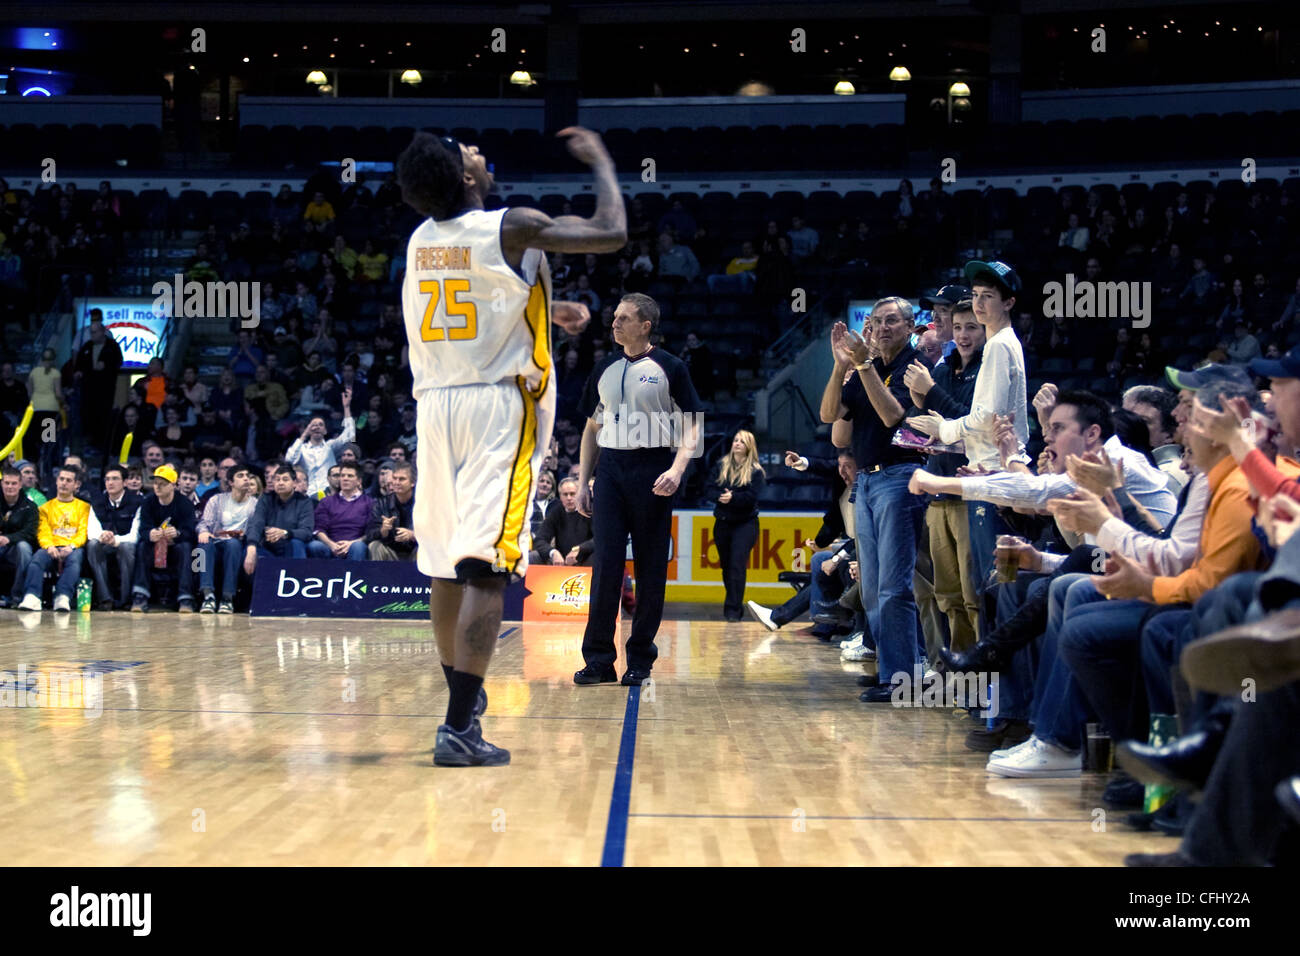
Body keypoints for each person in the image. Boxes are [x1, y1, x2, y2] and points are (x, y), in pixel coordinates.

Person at [396, 125, 616, 766]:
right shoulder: (509, 224)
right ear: (466, 179)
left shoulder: (421, 240)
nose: (479, 152)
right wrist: (601, 158)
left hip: (435, 407)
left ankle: (461, 704)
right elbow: (610, 230)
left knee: (442, 565)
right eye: (468, 153)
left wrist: (546, 310)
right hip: (498, 406)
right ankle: (459, 728)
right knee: (487, 569)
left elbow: (468, 301)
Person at [574, 293, 701, 687]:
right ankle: (598, 660)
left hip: (653, 469)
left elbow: (692, 424)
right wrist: (582, 481)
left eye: (624, 318)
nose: (614, 323)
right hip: (610, 470)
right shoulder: (605, 368)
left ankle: (640, 659)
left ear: (645, 325)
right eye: (614, 317)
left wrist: (678, 470)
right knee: (606, 565)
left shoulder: (671, 367)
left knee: (649, 570)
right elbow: (592, 427)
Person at [709, 430, 766, 622]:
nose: (737, 443)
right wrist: (719, 497)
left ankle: (733, 609)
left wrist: (733, 498)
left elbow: (752, 497)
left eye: (742, 441)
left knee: (736, 565)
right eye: (735, 440)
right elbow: (708, 488)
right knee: (726, 566)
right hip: (723, 522)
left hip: (745, 524)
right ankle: (733, 603)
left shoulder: (756, 471)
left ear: (749, 446)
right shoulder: (721, 466)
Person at [17, 465, 90, 612]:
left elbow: (83, 533)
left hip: (72, 547)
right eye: (61, 479)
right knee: (37, 559)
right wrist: (49, 546)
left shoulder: (84, 507)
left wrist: (71, 546)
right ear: (56, 481)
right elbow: (43, 531)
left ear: (76, 485)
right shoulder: (45, 508)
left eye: (68, 480)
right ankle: (32, 596)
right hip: (50, 547)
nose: (64, 483)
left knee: (75, 560)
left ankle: (62, 597)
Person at [130, 464, 198, 613]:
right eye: (155, 483)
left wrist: (178, 533)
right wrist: (150, 534)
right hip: (155, 544)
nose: (158, 487)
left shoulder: (184, 504)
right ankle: (140, 594)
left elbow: (191, 531)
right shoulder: (148, 502)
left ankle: (185, 597)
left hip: (176, 546)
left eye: (163, 484)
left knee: (186, 548)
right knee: (142, 546)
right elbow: (143, 529)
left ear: (173, 485)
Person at [197, 463, 258, 613]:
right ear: (231, 483)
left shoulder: (255, 504)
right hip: (216, 542)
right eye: (240, 476)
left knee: (233, 544)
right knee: (203, 546)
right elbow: (203, 523)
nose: (246, 479)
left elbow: (255, 529)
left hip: (238, 544)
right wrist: (203, 532)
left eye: (247, 476)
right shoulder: (216, 500)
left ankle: (227, 598)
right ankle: (208, 596)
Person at [84, 464, 143, 610]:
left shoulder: (137, 502)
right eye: (107, 479)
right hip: (104, 544)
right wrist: (102, 535)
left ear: (124, 482)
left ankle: (126, 599)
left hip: (126, 545)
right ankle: (105, 599)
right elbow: (92, 531)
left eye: (115, 479)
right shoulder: (97, 501)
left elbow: (135, 535)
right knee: (92, 545)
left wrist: (116, 540)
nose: (110, 483)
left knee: (126, 547)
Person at [244, 462, 315, 574]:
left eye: (285, 479)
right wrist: (251, 546)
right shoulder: (266, 499)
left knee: (296, 543)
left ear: (294, 483)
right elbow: (256, 523)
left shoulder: (304, 501)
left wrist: (285, 533)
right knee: (249, 552)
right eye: (277, 479)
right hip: (269, 547)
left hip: (291, 546)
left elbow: (306, 531)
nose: (280, 483)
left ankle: (298, 582)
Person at [285, 392, 355, 497]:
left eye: (320, 425)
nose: (317, 427)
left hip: (330, 494)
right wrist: (304, 434)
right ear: (309, 429)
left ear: (325, 431)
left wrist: (346, 407)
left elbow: (350, 434)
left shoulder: (330, 446)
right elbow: (289, 459)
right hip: (309, 494)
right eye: (313, 425)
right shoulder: (303, 448)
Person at [72, 310, 123, 452]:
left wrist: (106, 366)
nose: (92, 335)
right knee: (88, 413)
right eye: (91, 332)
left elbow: (119, 361)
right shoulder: (87, 346)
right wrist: (78, 371)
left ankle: (102, 444)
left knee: (103, 414)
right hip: (89, 387)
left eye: (95, 333)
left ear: (102, 332)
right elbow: (79, 362)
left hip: (105, 387)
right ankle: (89, 441)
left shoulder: (112, 345)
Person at [308, 462, 372, 560]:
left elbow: (371, 532)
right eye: (342, 475)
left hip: (355, 545)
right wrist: (331, 545)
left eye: (350, 476)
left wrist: (351, 543)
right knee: (314, 546)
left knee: (358, 547)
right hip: (330, 546)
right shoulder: (326, 502)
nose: (345, 478)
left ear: (359, 481)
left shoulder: (369, 503)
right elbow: (319, 529)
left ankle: (353, 575)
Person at [534, 476, 595, 568]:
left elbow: (599, 539)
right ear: (560, 496)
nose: (569, 498)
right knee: (534, 556)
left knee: (598, 555)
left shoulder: (590, 510)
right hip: (561, 562)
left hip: (585, 560)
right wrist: (553, 552)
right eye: (565, 494)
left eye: (572, 494)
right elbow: (539, 539)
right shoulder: (556, 512)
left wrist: (579, 549)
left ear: (580, 494)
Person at [0, 465, 38, 608]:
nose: (10, 487)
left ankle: (17, 595)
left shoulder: (30, 507)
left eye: (14, 483)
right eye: (7, 483)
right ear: (2, 483)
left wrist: (8, 538)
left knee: (24, 548)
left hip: (15, 548)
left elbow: (30, 532)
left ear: (20, 485)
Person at [366, 460, 417, 561]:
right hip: (391, 552)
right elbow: (369, 534)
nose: (396, 482)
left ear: (412, 483)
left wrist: (413, 535)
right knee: (375, 546)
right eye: (394, 478)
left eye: (401, 479)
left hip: (415, 551)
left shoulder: (423, 503)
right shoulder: (381, 504)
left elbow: (436, 532)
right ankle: (378, 577)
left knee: (425, 548)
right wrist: (383, 530)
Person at [24, 347, 64, 473]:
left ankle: (34, 466)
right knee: (48, 441)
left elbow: (29, 392)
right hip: (50, 410)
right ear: (53, 360)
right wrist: (64, 401)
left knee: (35, 440)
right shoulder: (55, 373)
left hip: (36, 409)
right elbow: (58, 393)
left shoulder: (34, 372)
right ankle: (47, 468)